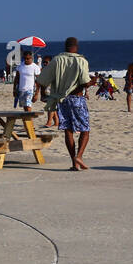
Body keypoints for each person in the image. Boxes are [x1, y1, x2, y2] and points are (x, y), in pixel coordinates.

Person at [35, 37, 91, 170]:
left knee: (68, 130)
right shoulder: (81, 60)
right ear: (76, 47)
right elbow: (84, 82)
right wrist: (92, 82)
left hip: (61, 100)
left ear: (65, 46)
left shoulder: (56, 60)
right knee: (85, 129)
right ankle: (79, 156)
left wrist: (43, 94)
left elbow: (42, 79)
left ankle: (74, 163)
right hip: (76, 98)